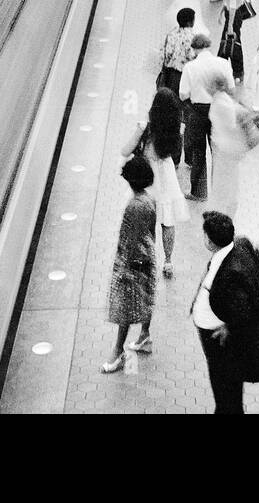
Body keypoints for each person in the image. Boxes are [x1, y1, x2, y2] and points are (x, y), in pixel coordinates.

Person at [191, 211, 259, 413]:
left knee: (225, 388)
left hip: (219, 340)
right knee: (226, 387)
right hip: (216, 332)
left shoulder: (231, 272)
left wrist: (229, 328)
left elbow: (243, 311)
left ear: (210, 242)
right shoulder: (240, 244)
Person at [122, 89, 189, 279]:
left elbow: (125, 151)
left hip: (146, 177)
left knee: (145, 218)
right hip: (167, 176)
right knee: (167, 220)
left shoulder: (145, 127)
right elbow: (175, 154)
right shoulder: (178, 128)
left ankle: (145, 257)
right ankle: (168, 261)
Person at [102, 154, 157, 373]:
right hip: (148, 256)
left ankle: (118, 353)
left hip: (133, 263)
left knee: (125, 308)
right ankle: (144, 336)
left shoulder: (134, 206)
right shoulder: (150, 199)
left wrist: (127, 268)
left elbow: (131, 240)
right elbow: (150, 233)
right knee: (146, 298)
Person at [180, 33, 234, 200]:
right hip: (218, 109)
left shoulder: (190, 67)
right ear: (208, 46)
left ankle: (199, 192)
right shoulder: (223, 63)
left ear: (195, 49)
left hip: (197, 112)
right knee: (217, 150)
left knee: (198, 152)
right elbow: (231, 88)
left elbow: (183, 94)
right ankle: (219, 189)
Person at [208, 70, 253, 217]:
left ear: (215, 86)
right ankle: (226, 211)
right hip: (228, 149)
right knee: (230, 182)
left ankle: (223, 214)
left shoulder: (221, 103)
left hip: (226, 150)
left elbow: (231, 126)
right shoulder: (224, 99)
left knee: (224, 185)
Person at [217, 0, 252, 82]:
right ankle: (236, 72)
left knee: (230, 43)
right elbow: (228, 1)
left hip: (233, 18)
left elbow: (232, 8)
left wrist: (230, 25)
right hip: (234, 17)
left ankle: (231, 72)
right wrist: (221, 12)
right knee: (233, 43)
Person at [157, 7, 197, 97]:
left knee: (167, 99)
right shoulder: (192, 37)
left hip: (169, 74)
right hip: (183, 77)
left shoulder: (171, 34)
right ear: (190, 22)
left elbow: (164, 54)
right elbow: (192, 57)